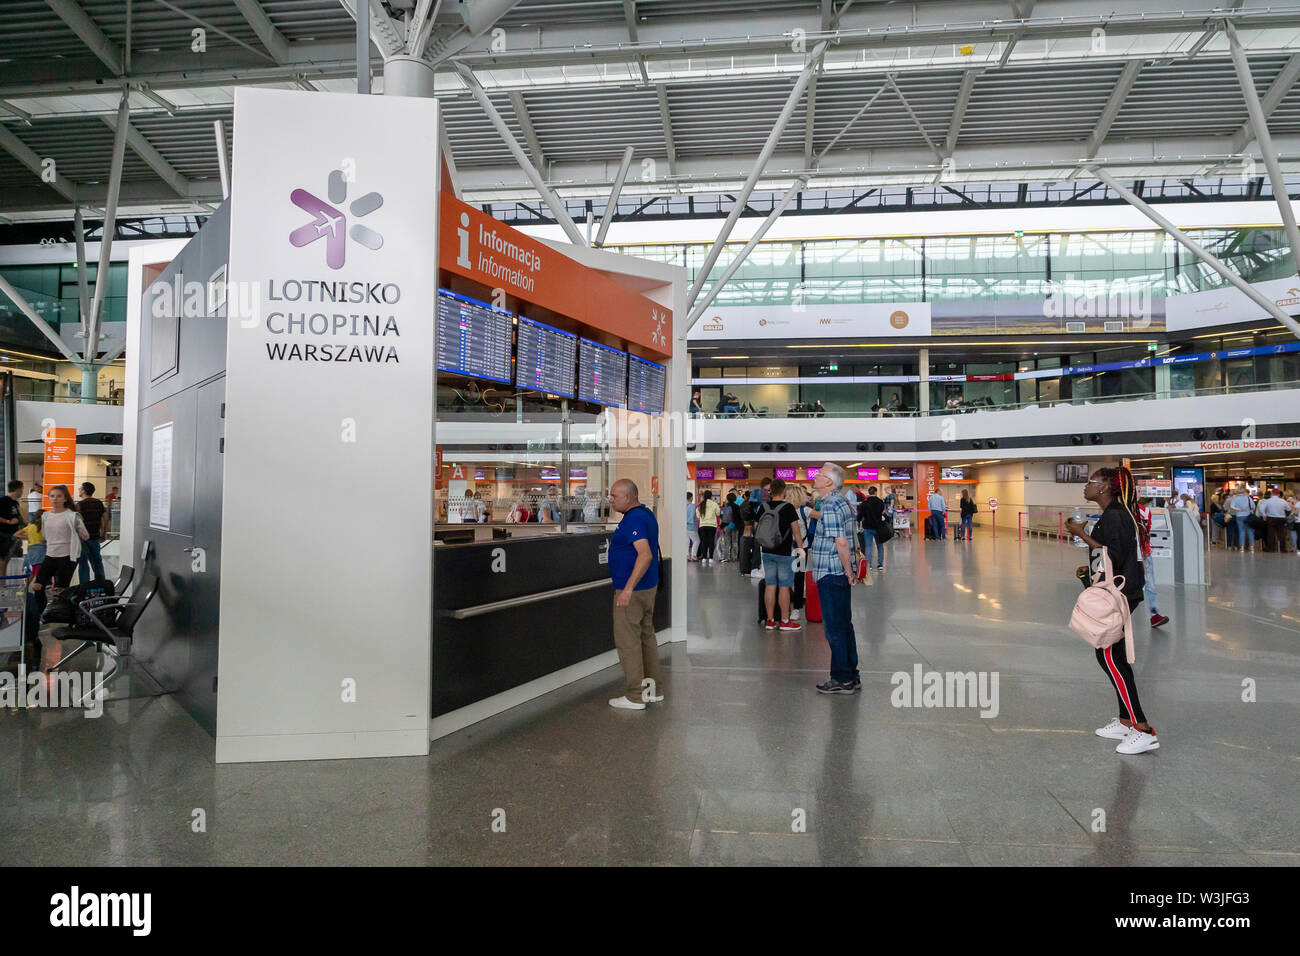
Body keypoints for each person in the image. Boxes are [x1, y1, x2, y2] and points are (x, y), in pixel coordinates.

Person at [1064, 467, 1159, 755]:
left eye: (1091, 482)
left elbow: (1113, 555)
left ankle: (1142, 729)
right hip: (1118, 588)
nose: (1086, 486)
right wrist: (1089, 568)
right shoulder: (1116, 513)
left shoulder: (1116, 515)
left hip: (1121, 592)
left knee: (1110, 656)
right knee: (1109, 655)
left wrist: (1080, 533)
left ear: (1105, 487)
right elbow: (1110, 552)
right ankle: (1125, 720)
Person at [606, 479, 662, 711]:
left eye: (614, 496)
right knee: (646, 636)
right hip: (647, 587)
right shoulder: (646, 514)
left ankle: (635, 696)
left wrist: (627, 589)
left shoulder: (634, 519)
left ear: (628, 497)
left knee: (628, 642)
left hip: (634, 591)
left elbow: (645, 554)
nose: (611, 500)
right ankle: (650, 691)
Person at [809, 463, 860, 694]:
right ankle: (851, 673)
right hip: (839, 572)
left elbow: (841, 542)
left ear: (829, 482)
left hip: (831, 571)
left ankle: (841, 678)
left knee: (834, 628)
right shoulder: (844, 501)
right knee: (844, 625)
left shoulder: (829, 504)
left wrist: (848, 571)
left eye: (819, 474)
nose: (815, 476)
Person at [756, 478, 805, 631]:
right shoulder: (788, 507)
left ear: (770, 491)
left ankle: (770, 621)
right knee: (784, 586)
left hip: (767, 551)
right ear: (784, 491)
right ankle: (785, 621)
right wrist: (801, 549)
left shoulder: (763, 507)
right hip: (784, 553)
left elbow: (758, 527)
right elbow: (796, 530)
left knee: (770, 584)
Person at [1135, 498, 1170, 628]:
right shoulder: (1144, 511)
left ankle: (1155, 614)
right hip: (1143, 551)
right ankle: (1154, 614)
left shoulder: (1126, 510)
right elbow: (1147, 530)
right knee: (1150, 584)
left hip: (1139, 552)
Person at [75, 482, 108, 583]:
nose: (79, 490)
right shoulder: (98, 503)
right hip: (95, 537)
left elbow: (77, 522)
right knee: (97, 562)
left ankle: (84, 588)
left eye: (80, 488)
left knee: (83, 564)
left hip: (82, 539)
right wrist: (103, 532)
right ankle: (101, 585)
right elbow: (105, 518)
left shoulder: (79, 505)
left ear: (84, 490)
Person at [859, 485, 888, 572]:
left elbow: (860, 515)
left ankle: (869, 565)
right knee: (880, 545)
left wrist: (858, 520)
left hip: (867, 527)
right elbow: (882, 513)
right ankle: (880, 564)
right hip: (879, 527)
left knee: (868, 546)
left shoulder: (864, 503)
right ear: (875, 492)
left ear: (869, 492)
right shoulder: (880, 502)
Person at [1259, 488, 1291, 553]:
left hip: (1271, 518)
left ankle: (1270, 548)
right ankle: (1283, 549)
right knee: (1281, 534)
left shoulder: (1267, 501)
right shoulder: (1283, 501)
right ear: (1279, 494)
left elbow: (1261, 508)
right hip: (1281, 519)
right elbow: (1288, 509)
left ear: (1272, 494)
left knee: (1270, 534)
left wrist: (1264, 515)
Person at [0, 480, 23, 567]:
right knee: (3, 560)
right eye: (21, 489)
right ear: (17, 489)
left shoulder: (15, 503)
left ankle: (3, 580)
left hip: (12, 535)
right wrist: (8, 521)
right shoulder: (3, 501)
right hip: (3, 535)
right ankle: (2, 580)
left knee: (6, 560)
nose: (22, 492)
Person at [696, 490, 720, 566]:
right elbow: (718, 513)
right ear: (711, 496)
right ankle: (711, 558)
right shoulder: (714, 504)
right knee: (711, 541)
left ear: (704, 496)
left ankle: (704, 557)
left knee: (704, 541)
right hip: (712, 525)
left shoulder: (701, 505)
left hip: (703, 525)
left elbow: (698, 516)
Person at [1227, 484, 1253, 552]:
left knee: (1241, 531)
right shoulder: (1248, 498)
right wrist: (1248, 510)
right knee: (1250, 531)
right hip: (1248, 516)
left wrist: (1239, 509)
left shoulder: (1235, 499)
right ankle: (1252, 547)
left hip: (1239, 516)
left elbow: (1232, 506)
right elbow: (1253, 507)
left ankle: (1242, 547)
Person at [718, 492, 739, 563]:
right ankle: (734, 557)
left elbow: (721, 517)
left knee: (727, 542)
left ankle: (727, 557)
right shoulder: (737, 506)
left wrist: (720, 526)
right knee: (735, 542)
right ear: (735, 499)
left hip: (726, 526)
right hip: (735, 526)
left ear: (727, 498)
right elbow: (738, 518)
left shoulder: (724, 506)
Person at [685, 491, 700, 562]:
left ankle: (687, 556)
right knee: (697, 541)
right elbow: (692, 516)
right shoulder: (692, 506)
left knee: (686, 541)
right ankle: (694, 556)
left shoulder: (682, 506)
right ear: (691, 498)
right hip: (691, 526)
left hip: (684, 526)